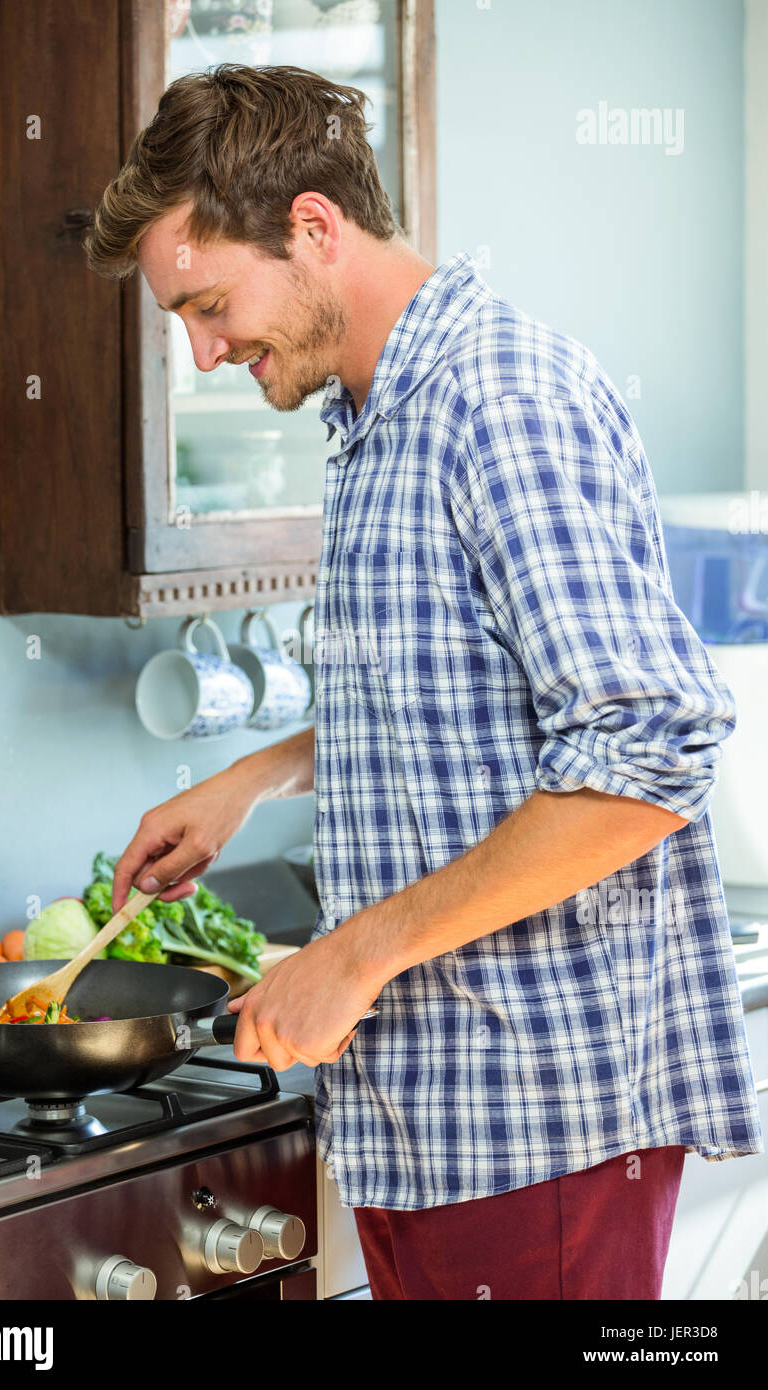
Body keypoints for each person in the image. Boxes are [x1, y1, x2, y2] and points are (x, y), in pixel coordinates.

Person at [84, 64, 763, 1300]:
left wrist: (354, 956)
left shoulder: (494, 401)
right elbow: (451, 687)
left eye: (209, 302)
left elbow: (647, 751)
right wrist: (256, 775)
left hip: (539, 1123)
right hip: (429, 1123)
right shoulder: (372, 417)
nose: (200, 347)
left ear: (311, 228)